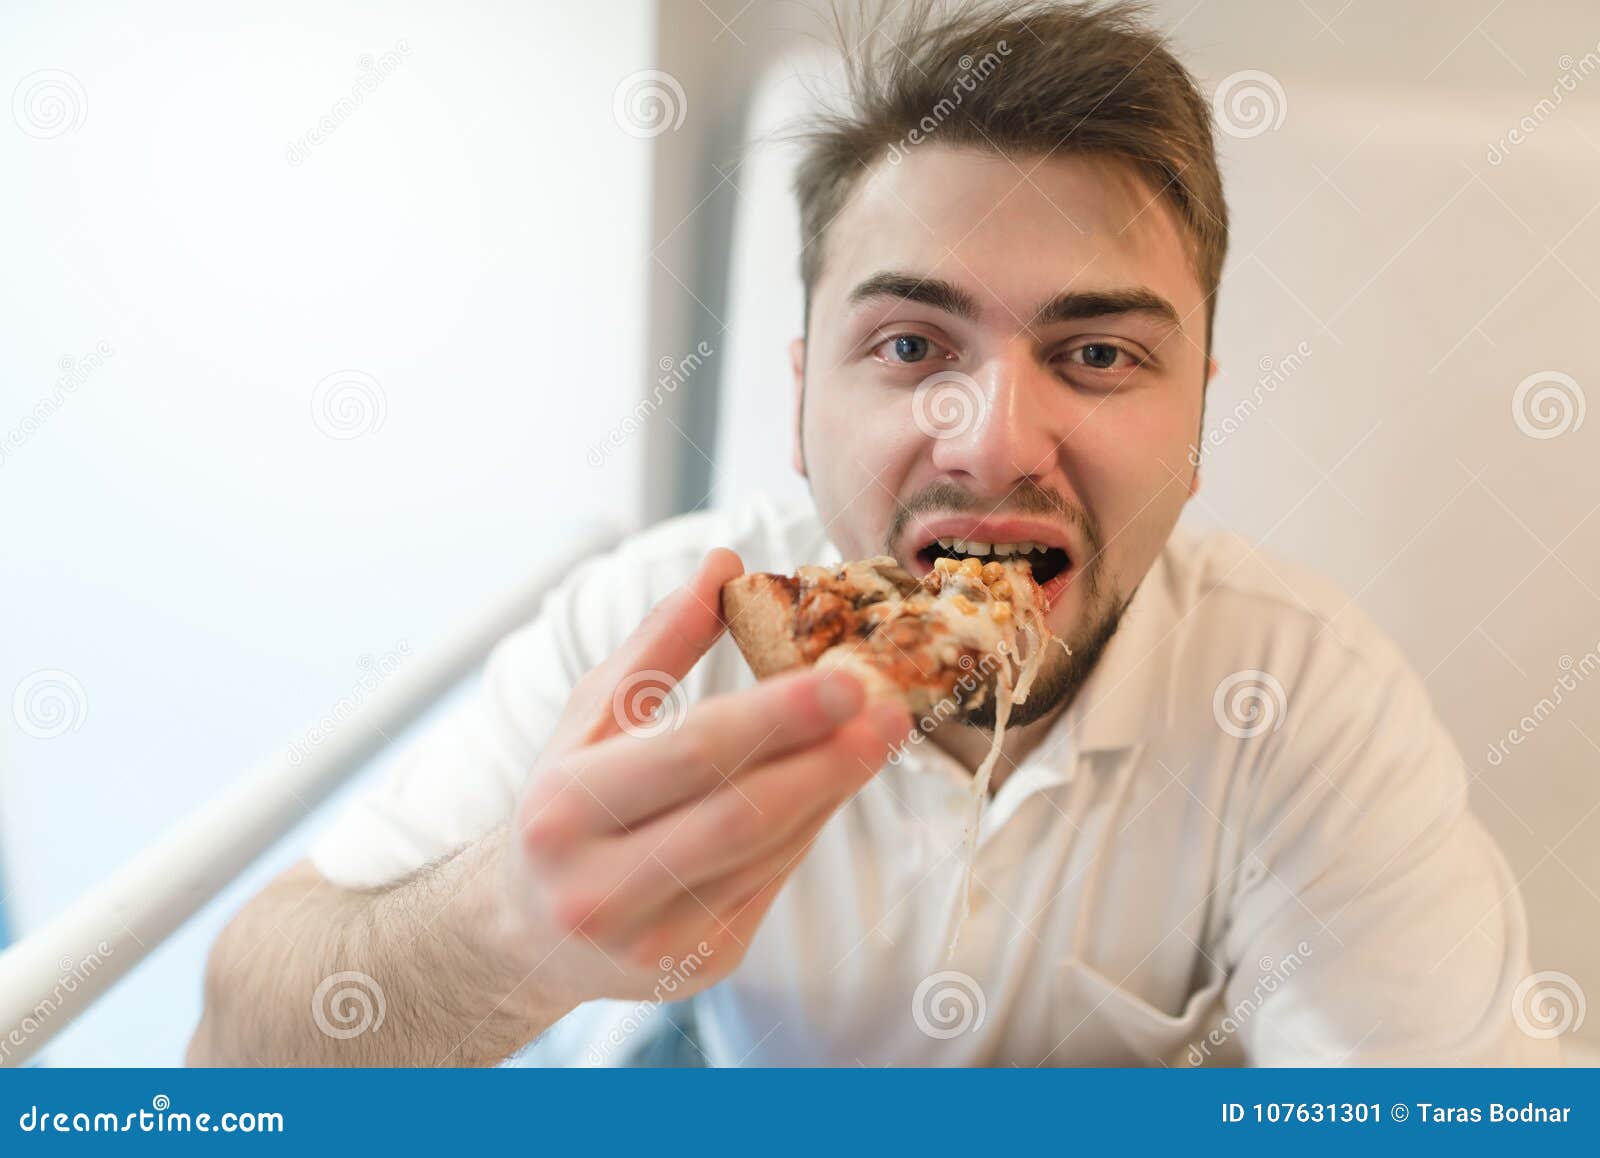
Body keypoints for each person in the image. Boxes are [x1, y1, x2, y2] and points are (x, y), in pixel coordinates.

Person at [189, 1, 1553, 1066]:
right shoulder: (657, 633)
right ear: (799, 399)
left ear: (1198, 417)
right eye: (910, 341)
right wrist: (508, 931)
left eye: (1095, 352)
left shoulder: (1301, 699)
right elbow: (229, 1061)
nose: (996, 439)